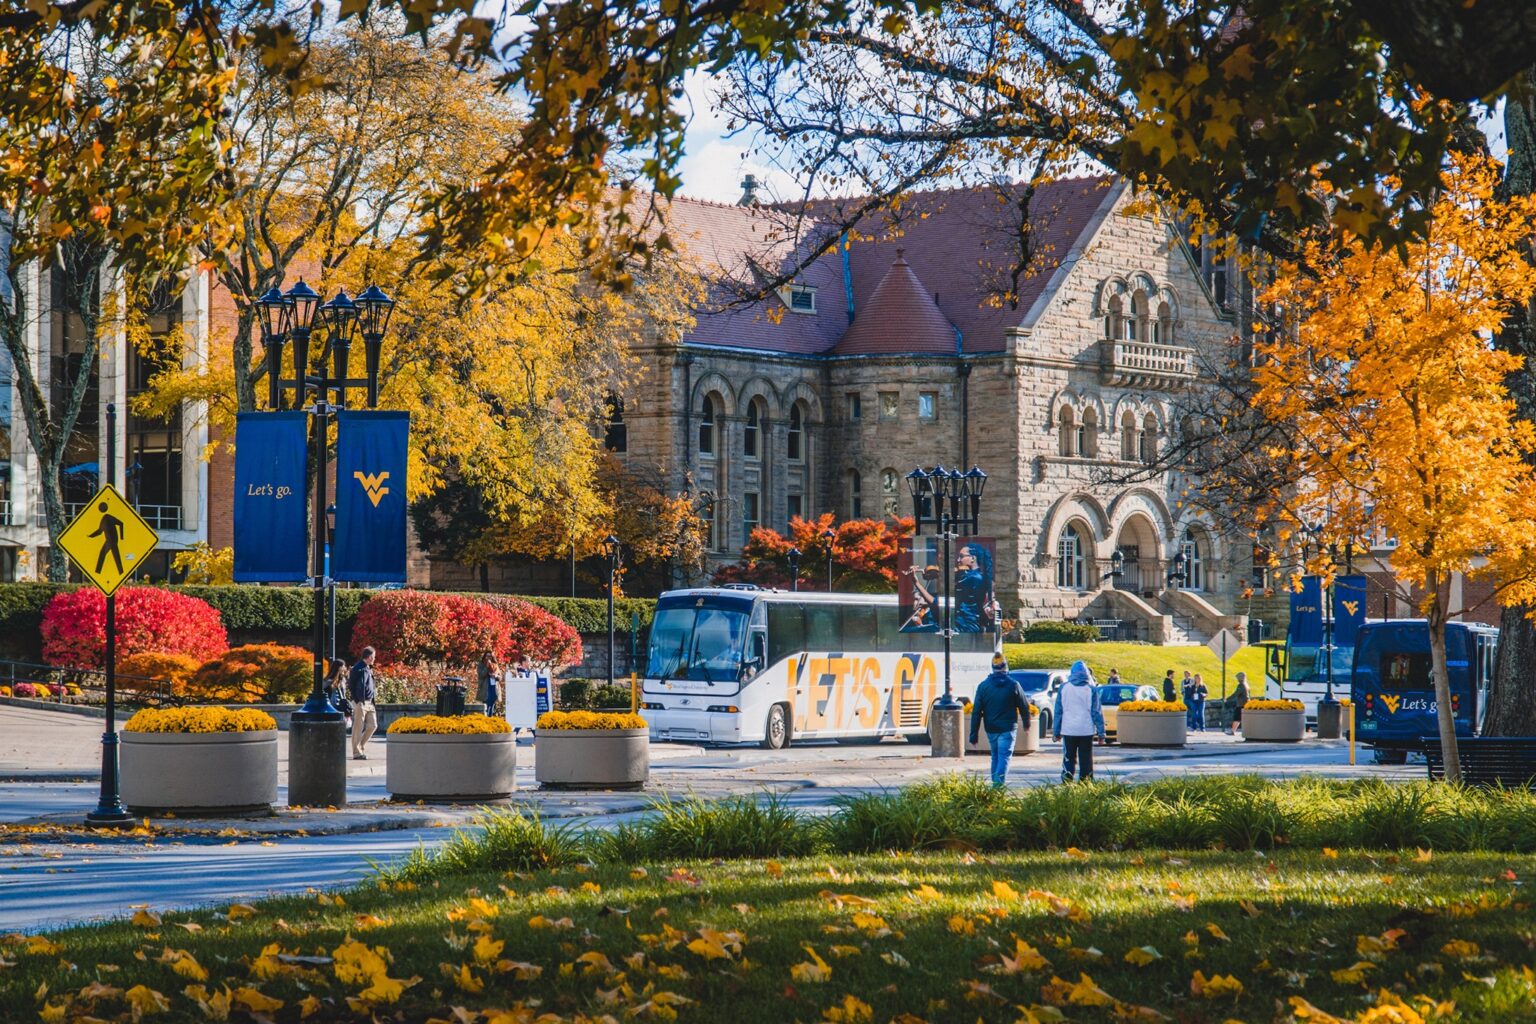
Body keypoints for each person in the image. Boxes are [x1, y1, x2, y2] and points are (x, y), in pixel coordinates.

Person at [968, 653, 1033, 787]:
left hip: (991, 727)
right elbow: (1024, 706)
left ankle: (995, 784)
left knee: (995, 756)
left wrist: (973, 734)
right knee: (1004, 756)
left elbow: (976, 712)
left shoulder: (983, 686)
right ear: (1006, 667)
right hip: (1008, 727)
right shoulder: (1014, 685)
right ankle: (997, 785)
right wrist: (1027, 724)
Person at [1053, 660, 1105, 783]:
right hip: (1086, 730)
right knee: (1086, 758)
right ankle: (1085, 782)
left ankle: (1067, 780)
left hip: (1068, 729)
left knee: (1068, 757)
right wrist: (1101, 733)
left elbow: (1058, 711)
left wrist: (1056, 731)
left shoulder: (1064, 688)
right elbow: (1096, 712)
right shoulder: (1091, 690)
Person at [951, 544, 994, 633]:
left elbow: (953, 595)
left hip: (964, 624)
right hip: (965, 622)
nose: (958, 560)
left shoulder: (972, 577)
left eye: (961, 556)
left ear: (973, 559)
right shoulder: (973, 576)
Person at [348, 646, 378, 759]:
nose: (374, 659)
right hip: (360, 702)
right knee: (358, 727)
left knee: (373, 725)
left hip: (369, 702)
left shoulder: (367, 668)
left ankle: (359, 746)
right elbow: (351, 685)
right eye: (374, 657)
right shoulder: (358, 668)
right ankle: (357, 753)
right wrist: (357, 700)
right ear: (369, 657)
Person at [324, 658, 352, 728]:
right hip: (332, 708)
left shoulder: (341, 680)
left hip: (339, 708)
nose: (345, 668)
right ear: (339, 667)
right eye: (343, 666)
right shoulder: (329, 681)